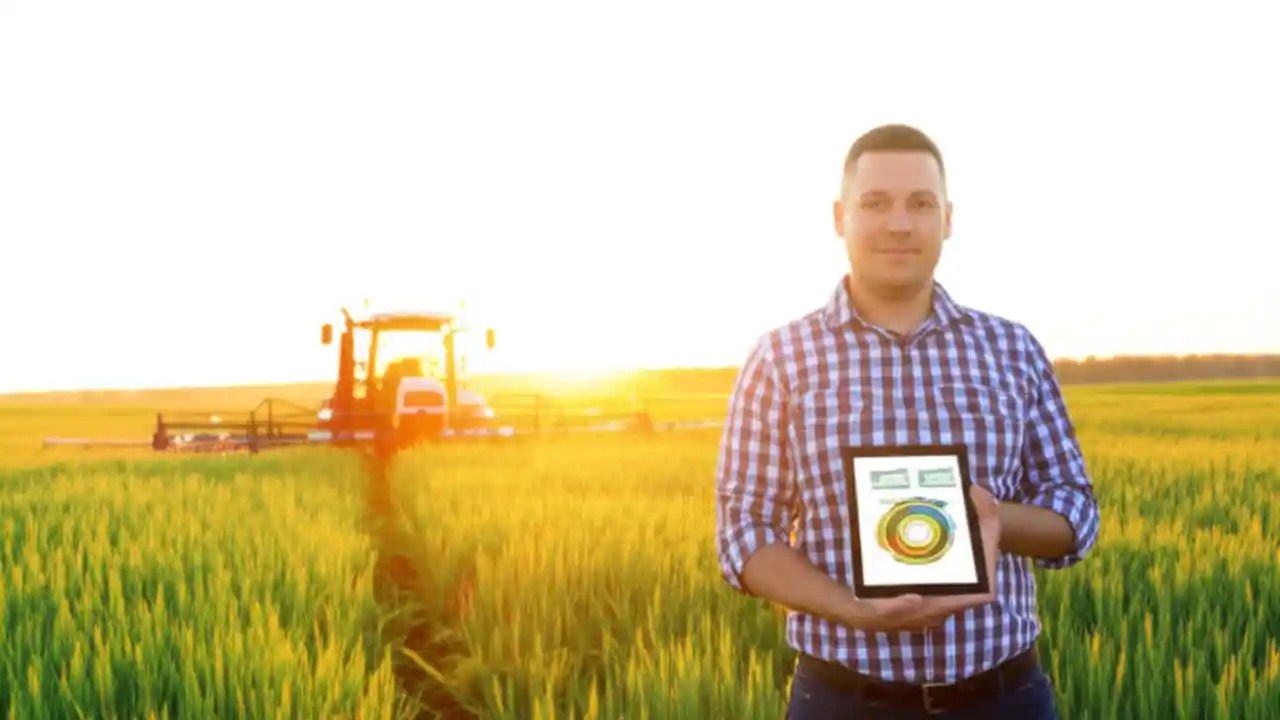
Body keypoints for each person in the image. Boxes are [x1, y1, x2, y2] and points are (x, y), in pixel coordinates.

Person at [714, 123, 1100, 719]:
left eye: (920, 204)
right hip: (842, 700)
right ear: (840, 216)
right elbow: (744, 533)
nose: (899, 223)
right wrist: (853, 608)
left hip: (1003, 698)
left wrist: (992, 523)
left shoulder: (1012, 349)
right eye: (875, 203)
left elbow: (1075, 510)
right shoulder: (780, 358)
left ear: (947, 219)